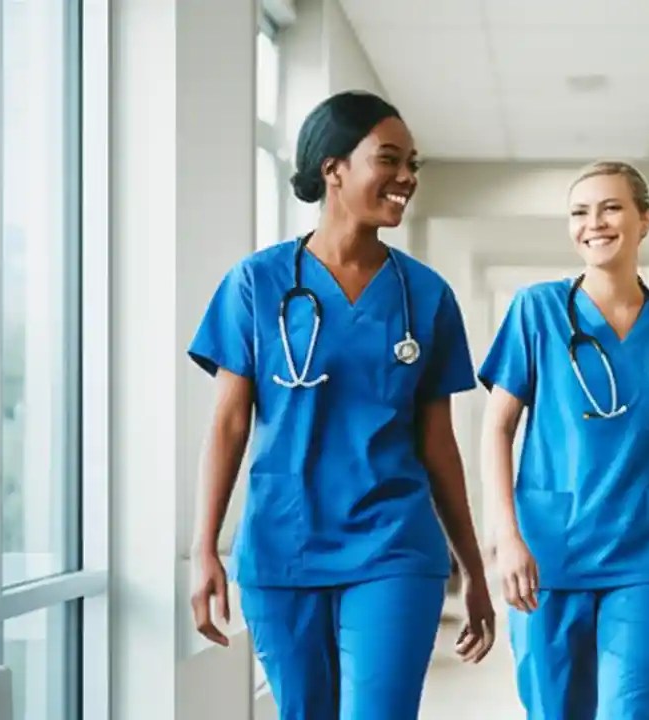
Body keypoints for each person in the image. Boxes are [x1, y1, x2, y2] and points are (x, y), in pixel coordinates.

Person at [186, 90, 496, 720]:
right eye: (389, 159)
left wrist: (473, 568)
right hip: (282, 545)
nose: (407, 177)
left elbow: (440, 445)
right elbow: (228, 425)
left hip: (393, 547)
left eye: (413, 163)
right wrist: (204, 551)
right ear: (334, 169)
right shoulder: (256, 283)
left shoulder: (425, 296)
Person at [478, 161, 649, 719]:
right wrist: (507, 537)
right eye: (579, 212)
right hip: (548, 552)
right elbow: (497, 429)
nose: (593, 223)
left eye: (611, 207)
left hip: (645, 555)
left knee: (635, 709)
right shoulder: (537, 309)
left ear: (645, 219)